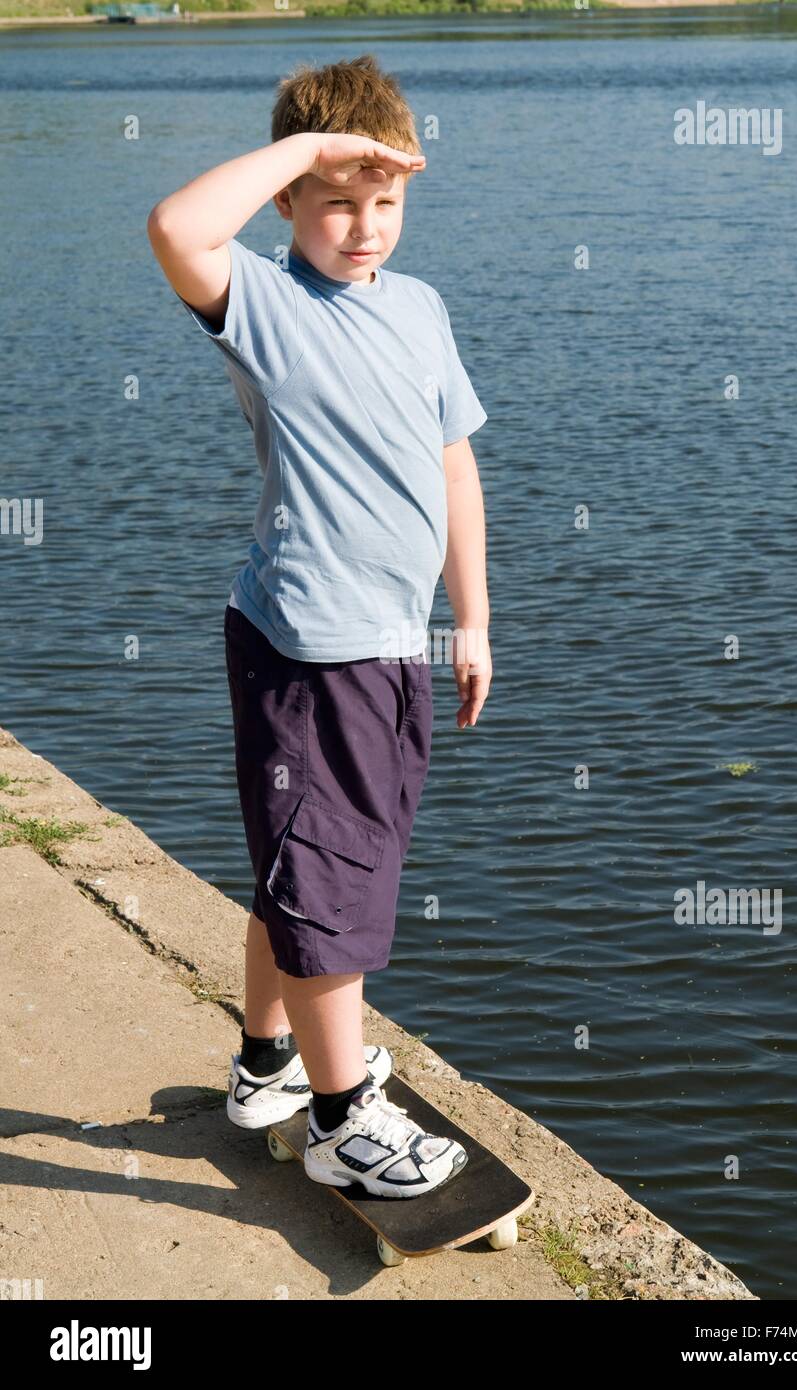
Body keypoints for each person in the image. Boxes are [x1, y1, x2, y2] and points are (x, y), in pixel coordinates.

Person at [147, 54, 491, 1199]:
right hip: (303, 645)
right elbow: (175, 225)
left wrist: (471, 619)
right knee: (330, 875)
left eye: (384, 201)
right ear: (290, 199)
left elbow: (452, 464)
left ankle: (265, 1063)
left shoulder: (422, 308)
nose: (362, 226)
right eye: (337, 200)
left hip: (391, 644)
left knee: (312, 861)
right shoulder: (264, 303)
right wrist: (307, 149)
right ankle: (345, 1120)